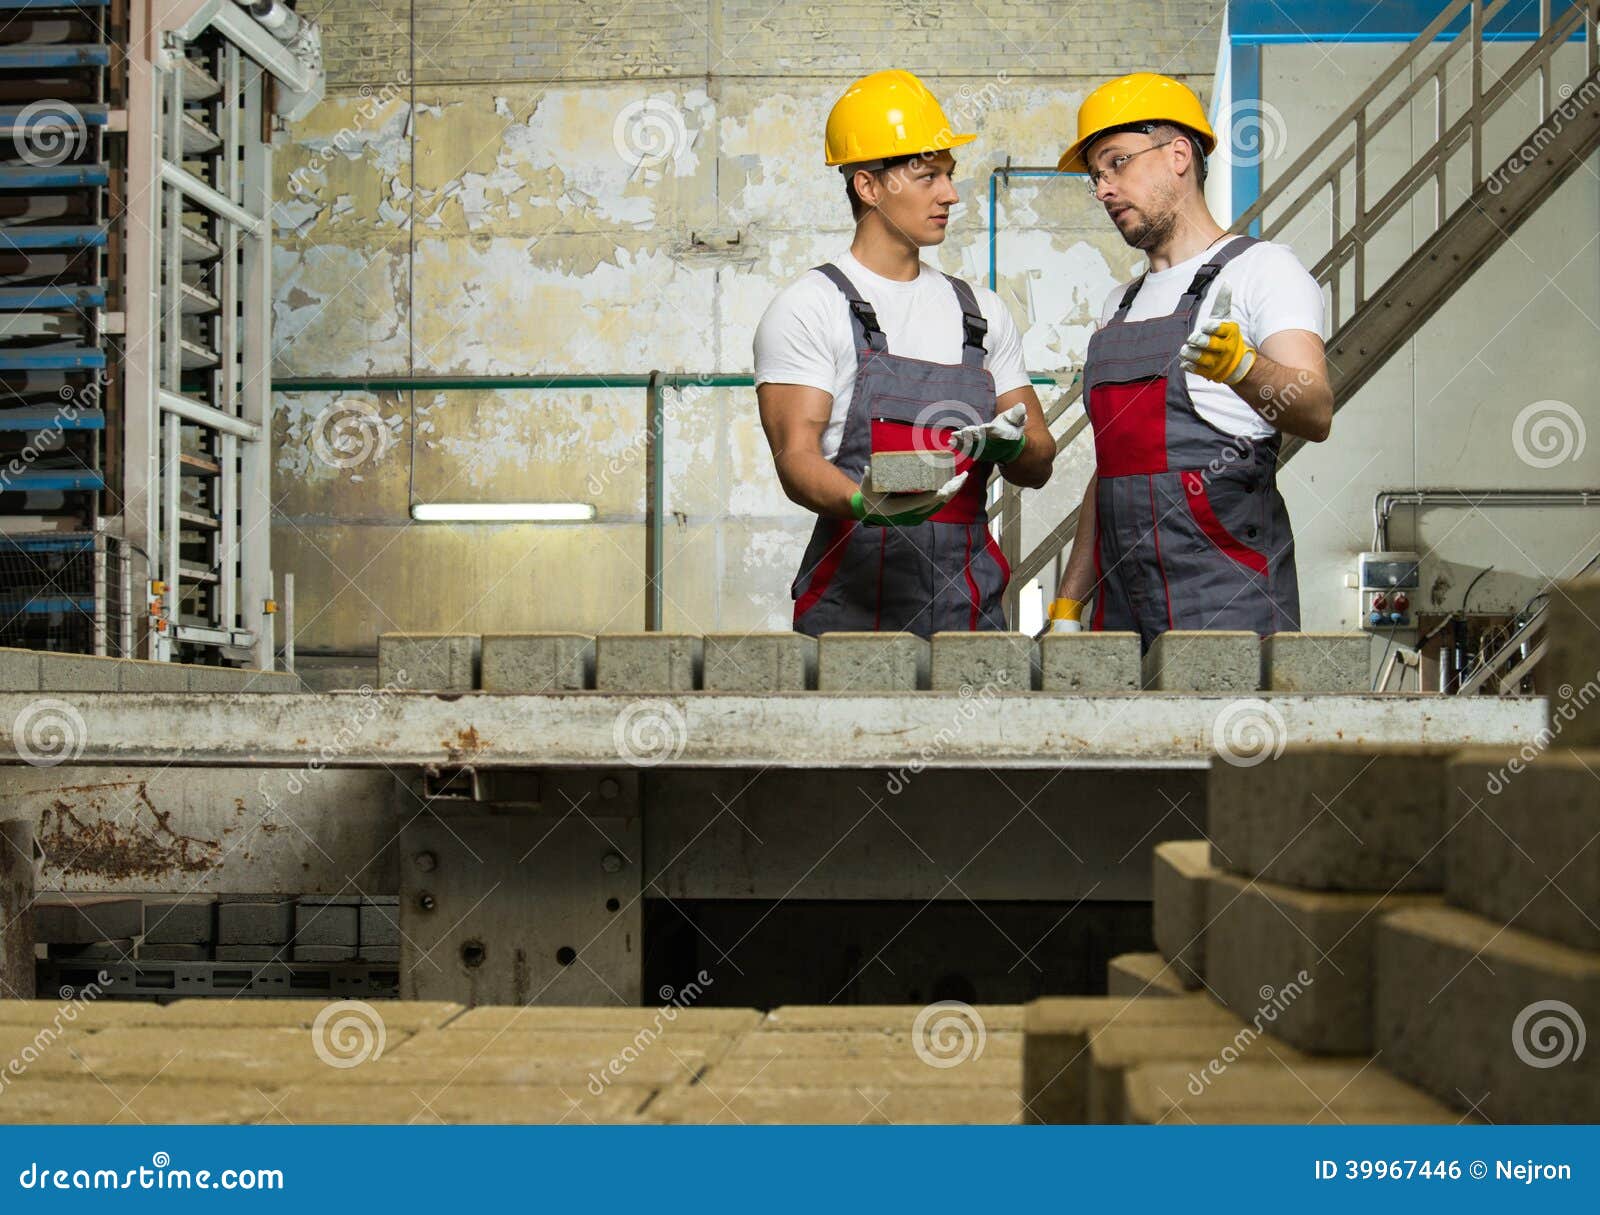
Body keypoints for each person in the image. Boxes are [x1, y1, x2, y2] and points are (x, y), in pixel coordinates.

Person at [755, 69, 1054, 636]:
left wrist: (1014, 446)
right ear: (869, 186)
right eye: (927, 176)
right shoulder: (810, 307)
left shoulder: (982, 314)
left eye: (949, 175)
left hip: (971, 616)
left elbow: (1039, 463)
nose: (950, 194)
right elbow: (795, 459)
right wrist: (863, 504)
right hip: (850, 622)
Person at [1046, 72, 1332, 645]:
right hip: (1120, 603)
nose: (1104, 190)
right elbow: (1112, 471)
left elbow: (1315, 410)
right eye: (1096, 177)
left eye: (1117, 163)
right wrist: (1069, 600)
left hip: (1224, 595)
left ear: (1178, 155)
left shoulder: (1262, 270)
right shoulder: (1117, 306)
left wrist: (1243, 368)